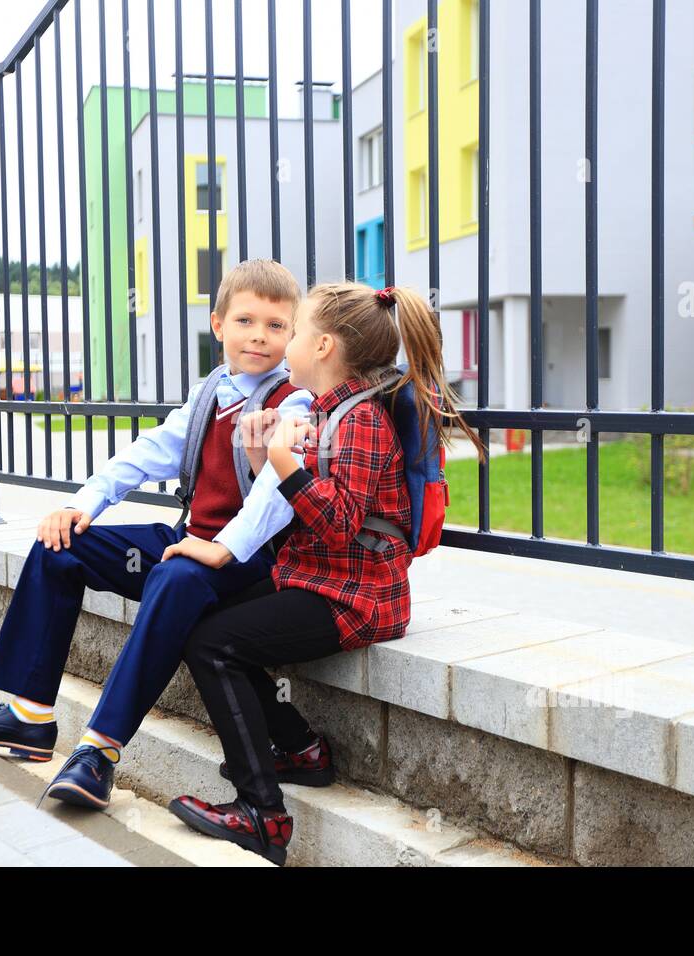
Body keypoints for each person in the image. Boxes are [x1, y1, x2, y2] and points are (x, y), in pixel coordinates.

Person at [0, 259, 314, 812]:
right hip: (187, 539)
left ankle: (98, 753)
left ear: (293, 334)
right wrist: (80, 504)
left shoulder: (291, 402)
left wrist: (219, 548)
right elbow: (144, 454)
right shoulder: (210, 393)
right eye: (247, 320)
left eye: (277, 326)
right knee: (62, 543)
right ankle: (30, 717)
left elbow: (276, 493)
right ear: (218, 324)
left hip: (245, 561)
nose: (260, 335)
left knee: (178, 578)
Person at [167, 282, 488, 865]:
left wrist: (286, 464)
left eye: (294, 329)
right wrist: (268, 460)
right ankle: (300, 750)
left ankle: (262, 814)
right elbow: (308, 507)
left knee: (214, 645)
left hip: (357, 598)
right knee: (207, 619)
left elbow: (339, 524)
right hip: (319, 579)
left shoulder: (361, 417)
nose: (281, 341)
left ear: (321, 346)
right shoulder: (327, 406)